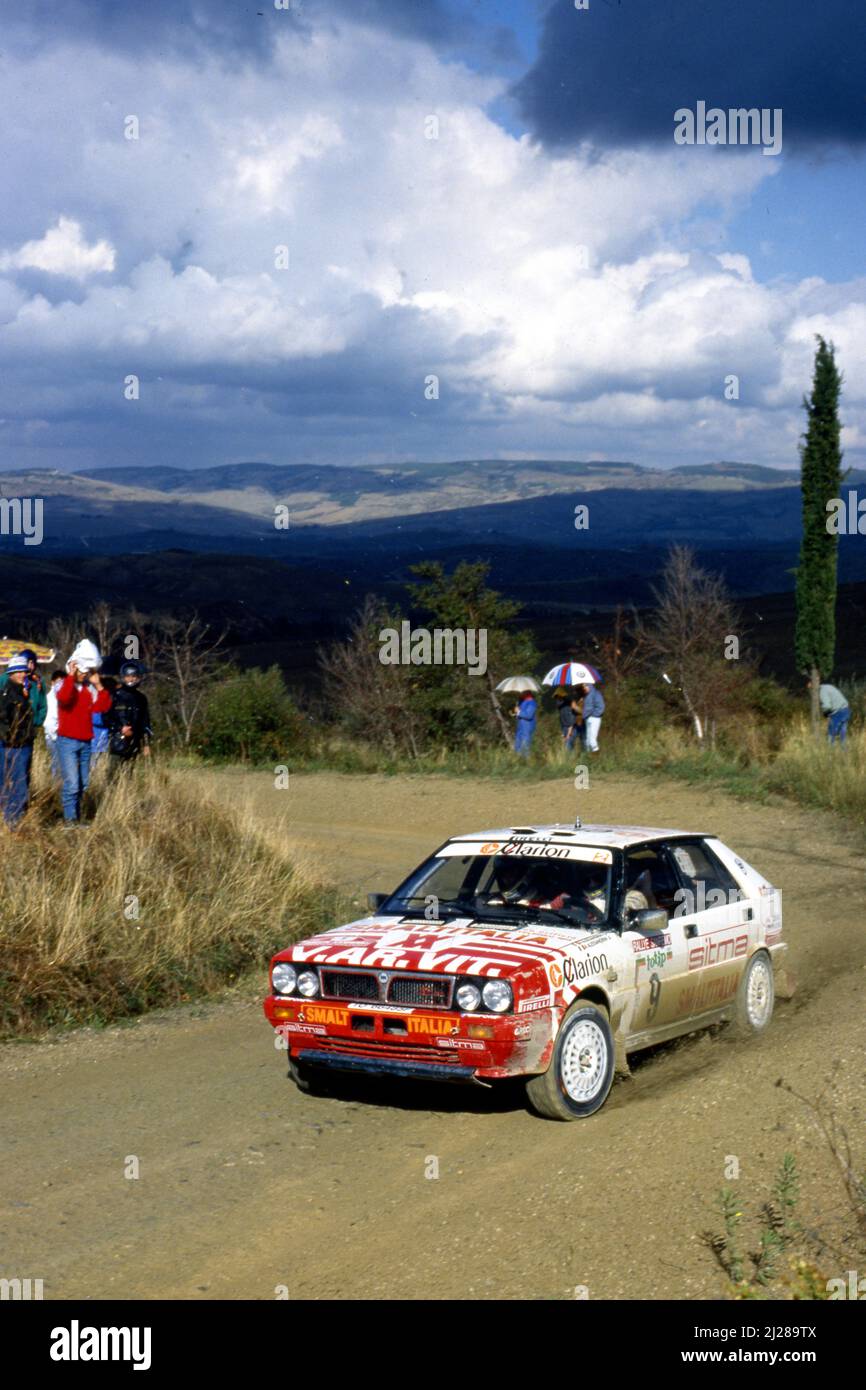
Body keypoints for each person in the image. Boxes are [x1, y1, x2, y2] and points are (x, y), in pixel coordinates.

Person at [56, 640, 111, 822]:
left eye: (87, 672)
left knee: (82, 784)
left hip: (86, 741)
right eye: (81, 670)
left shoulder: (90, 689)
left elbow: (103, 706)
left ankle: (77, 817)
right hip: (67, 741)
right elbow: (64, 698)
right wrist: (71, 676)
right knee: (71, 784)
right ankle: (70, 820)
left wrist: (99, 685)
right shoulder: (64, 685)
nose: (84, 674)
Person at [0, 654, 36, 827]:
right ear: (11, 674)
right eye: (19, 672)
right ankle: (14, 822)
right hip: (15, 746)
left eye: (24, 671)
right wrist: (9, 736)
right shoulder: (9, 694)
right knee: (18, 785)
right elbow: (4, 718)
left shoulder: (20, 691)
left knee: (9, 783)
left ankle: (10, 819)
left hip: (19, 744)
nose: (23, 675)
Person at [105, 660, 152, 773]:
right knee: (113, 773)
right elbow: (106, 717)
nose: (131, 679)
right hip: (117, 741)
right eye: (128, 676)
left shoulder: (141, 698)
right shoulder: (115, 696)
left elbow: (145, 722)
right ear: (123, 677)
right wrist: (120, 728)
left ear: (138, 677)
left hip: (134, 742)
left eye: (134, 676)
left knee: (129, 773)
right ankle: (112, 791)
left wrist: (146, 744)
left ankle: (126, 791)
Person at [0, 647, 48, 731]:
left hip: (29, 727)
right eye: (27, 662)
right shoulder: (5, 678)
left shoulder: (38, 682)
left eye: (32, 663)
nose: (30, 666)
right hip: (7, 726)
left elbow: (43, 705)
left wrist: (37, 721)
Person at [43, 669, 66, 780]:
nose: (60, 684)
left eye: (63, 682)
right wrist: (54, 733)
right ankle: (55, 787)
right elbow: (48, 719)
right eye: (58, 681)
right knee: (56, 763)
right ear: (52, 682)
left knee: (65, 765)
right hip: (53, 735)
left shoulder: (65, 697)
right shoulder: (49, 698)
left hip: (65, 735)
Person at [580, 681, 605, 753]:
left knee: (592, 740)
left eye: (586, 686)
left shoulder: (596, 694)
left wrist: (593, 714)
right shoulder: (586, 695)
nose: (584, 688)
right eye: (583, 687)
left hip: (595, 719)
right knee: (587, 741)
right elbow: (587, 708)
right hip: (587, 719)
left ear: (590, 685)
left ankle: (597, 757)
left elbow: (601, 707)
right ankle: (589, 759)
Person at [512, 690, 537, 756]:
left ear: (527, 693)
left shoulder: (532, 703)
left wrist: (519, 712)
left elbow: (529, 715)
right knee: (517, 747)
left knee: (525, 747)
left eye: (522, 692)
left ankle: (526, 764)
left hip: (527, 729)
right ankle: (519, 763)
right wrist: (516, 713)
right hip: (520, 728)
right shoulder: (521, 701)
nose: (521, 693)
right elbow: (520, 714)